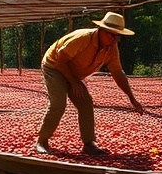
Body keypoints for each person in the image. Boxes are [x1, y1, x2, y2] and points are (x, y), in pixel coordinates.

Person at [36, 11, 144, 155]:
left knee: (86, 103)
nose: (113, 39)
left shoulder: (111, 49)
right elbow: (61, 59)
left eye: (117, 36)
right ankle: (42, 140)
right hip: (54, 66)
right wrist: (74, 83)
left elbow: (117, 72)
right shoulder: (83, 38)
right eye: (110, 34)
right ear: (101, 30)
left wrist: (132, 98)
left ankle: (89, 143)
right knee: (59, 104)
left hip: (73, 71)